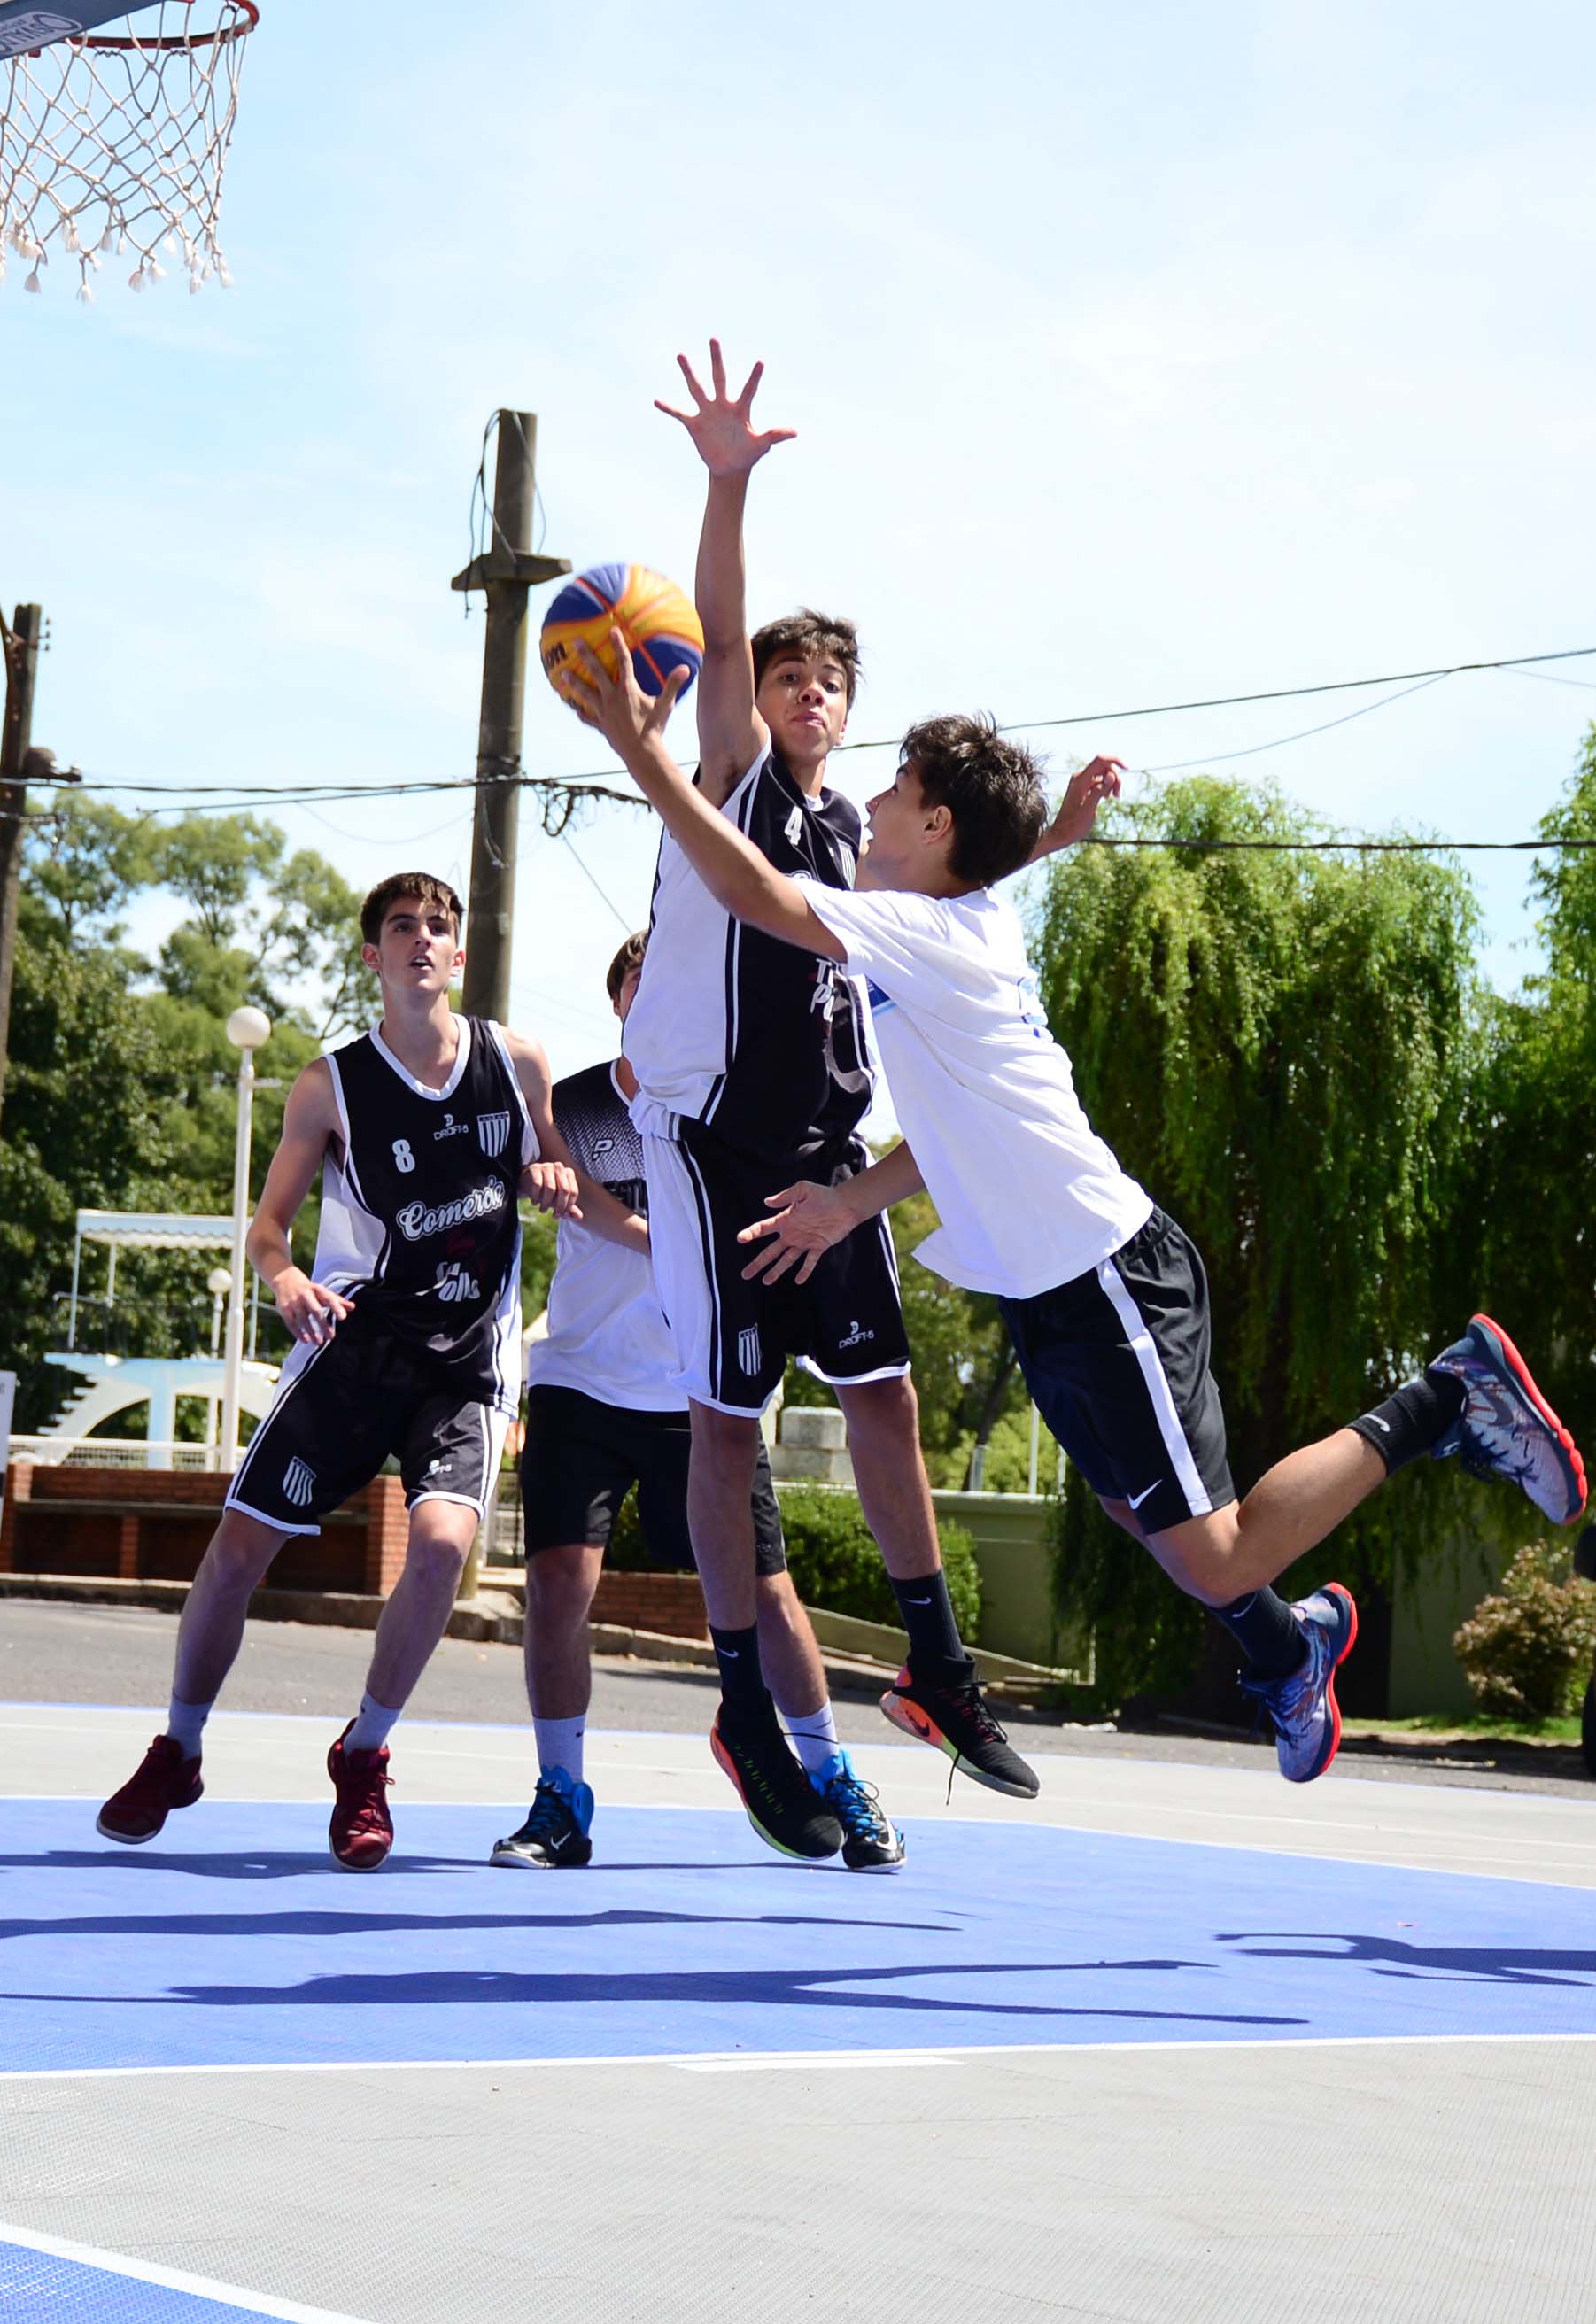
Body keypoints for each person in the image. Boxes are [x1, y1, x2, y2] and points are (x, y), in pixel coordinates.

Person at [553, 661, 1586, 1791]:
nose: (875, 801)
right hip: (1053, 1291)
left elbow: (753, 892)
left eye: (896, 788)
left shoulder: (924, 936)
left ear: (935, 821)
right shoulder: (945, 913)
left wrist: (642, 752)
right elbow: (944, 1090)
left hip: (1106, 1272)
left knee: (1217, 1544)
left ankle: (1447, 1391)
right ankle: (1292, 1647)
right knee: (1135, 1510)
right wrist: (1044, 837)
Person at [624, 342, 1032, 1856]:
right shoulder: (736, 775)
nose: (808, 687)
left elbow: (943, 909)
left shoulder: (856, 835)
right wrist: (724, 483)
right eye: (793, 671)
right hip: (715, 1149)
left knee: (888, 1394)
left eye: (831, 675)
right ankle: (743, 1700)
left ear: (852, 706)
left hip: (825, 1153)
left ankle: (933, 1654)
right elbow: (719, 631)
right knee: (723, 1428)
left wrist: (1041, 837)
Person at [94, 874, 576, 1871]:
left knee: (442, 1546)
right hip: (353, 1346)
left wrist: (550, 1170)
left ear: (457, 958)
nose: (422, 939)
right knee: (235, 1552)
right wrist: (284, 1277)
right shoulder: (330, 1083)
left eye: (439, 927)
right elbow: (268, 1229)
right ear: (373, 956)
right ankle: (178, 1746)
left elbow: (558, 1165)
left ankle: (363, 1755)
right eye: (402, 926)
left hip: (466, 1358)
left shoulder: (518, 1062)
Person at [500, 933, 903, 1871]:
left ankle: (832, 1770)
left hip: (705, 1392)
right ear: (617, 1001)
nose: (658, 989)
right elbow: (577, 1193)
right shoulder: (578, 1103)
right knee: (560, 1584)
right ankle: (561, 1796)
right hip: (582, 1378)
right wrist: (584, 1192)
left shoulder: (740, 1106)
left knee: (770, 1598)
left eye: (672, 974)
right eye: (639, 979)